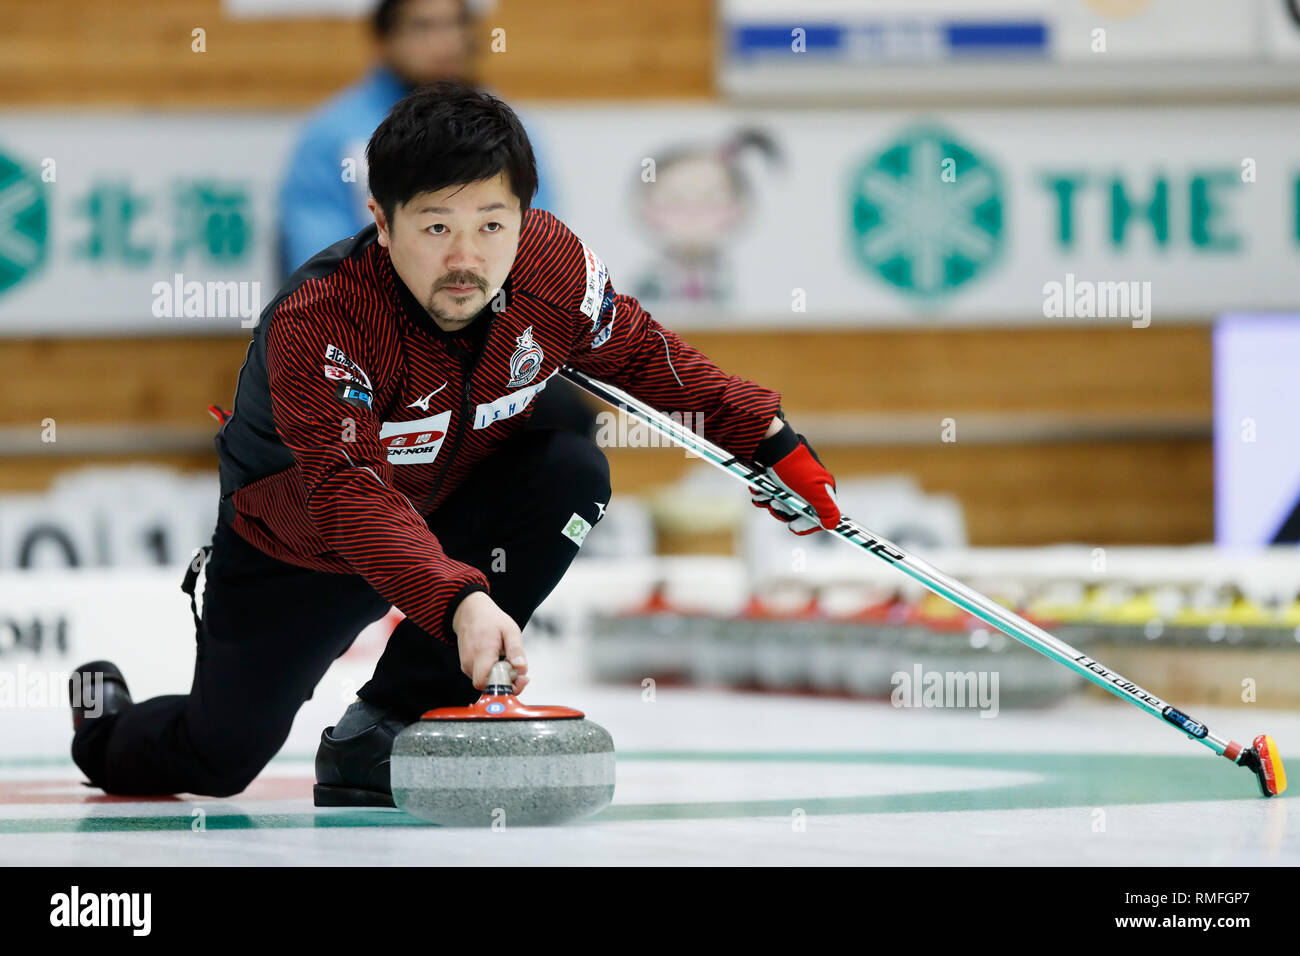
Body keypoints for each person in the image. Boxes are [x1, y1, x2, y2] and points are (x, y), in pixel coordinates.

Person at [68, 82, 841, 809]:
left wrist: (771, 443)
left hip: (450, 511)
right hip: (303, 549)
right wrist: (462, 600)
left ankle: (389, 724)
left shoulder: (553, 266)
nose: (467, 258)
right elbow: (349, 494)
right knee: (219, 758)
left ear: (523, 217)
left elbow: (644, 357)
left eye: (491, 224)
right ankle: (105, 725)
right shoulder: (319, 322)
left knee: (570, 463)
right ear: (382, 217)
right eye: (437, 227)